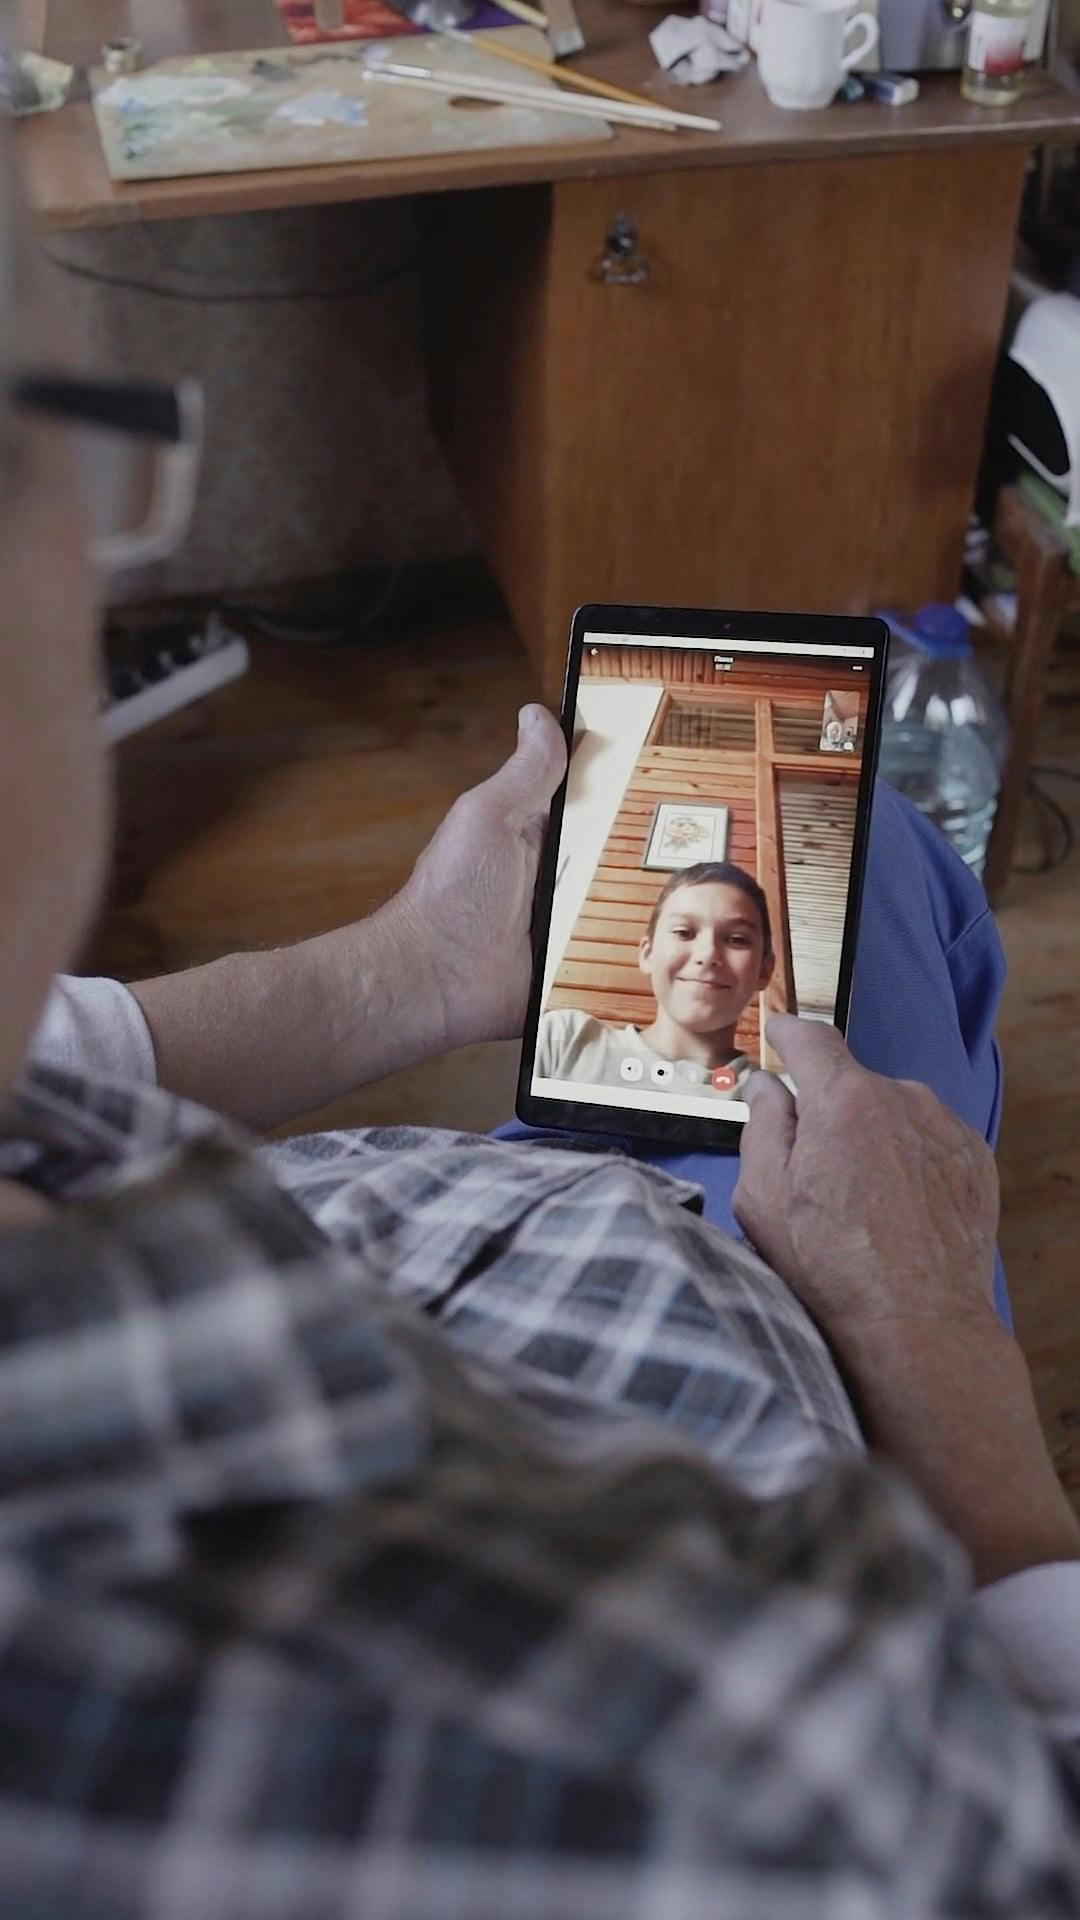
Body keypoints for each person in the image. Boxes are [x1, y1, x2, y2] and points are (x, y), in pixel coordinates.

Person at [1, 90, 1080, 1919]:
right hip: (772, 1313)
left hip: (500, 1218)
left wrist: (421, 966)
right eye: (62, 453)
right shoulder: (666, 1758)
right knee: (892, 863)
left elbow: (63, 1063)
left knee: (875, 847)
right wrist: (936, 1350)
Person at [536, 861, 775, 1099]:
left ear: (764, 970)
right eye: (683, 932)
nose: (707, 954)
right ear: (648, 954)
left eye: (737, 939)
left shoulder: (774, 1099)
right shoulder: (565, 1039)